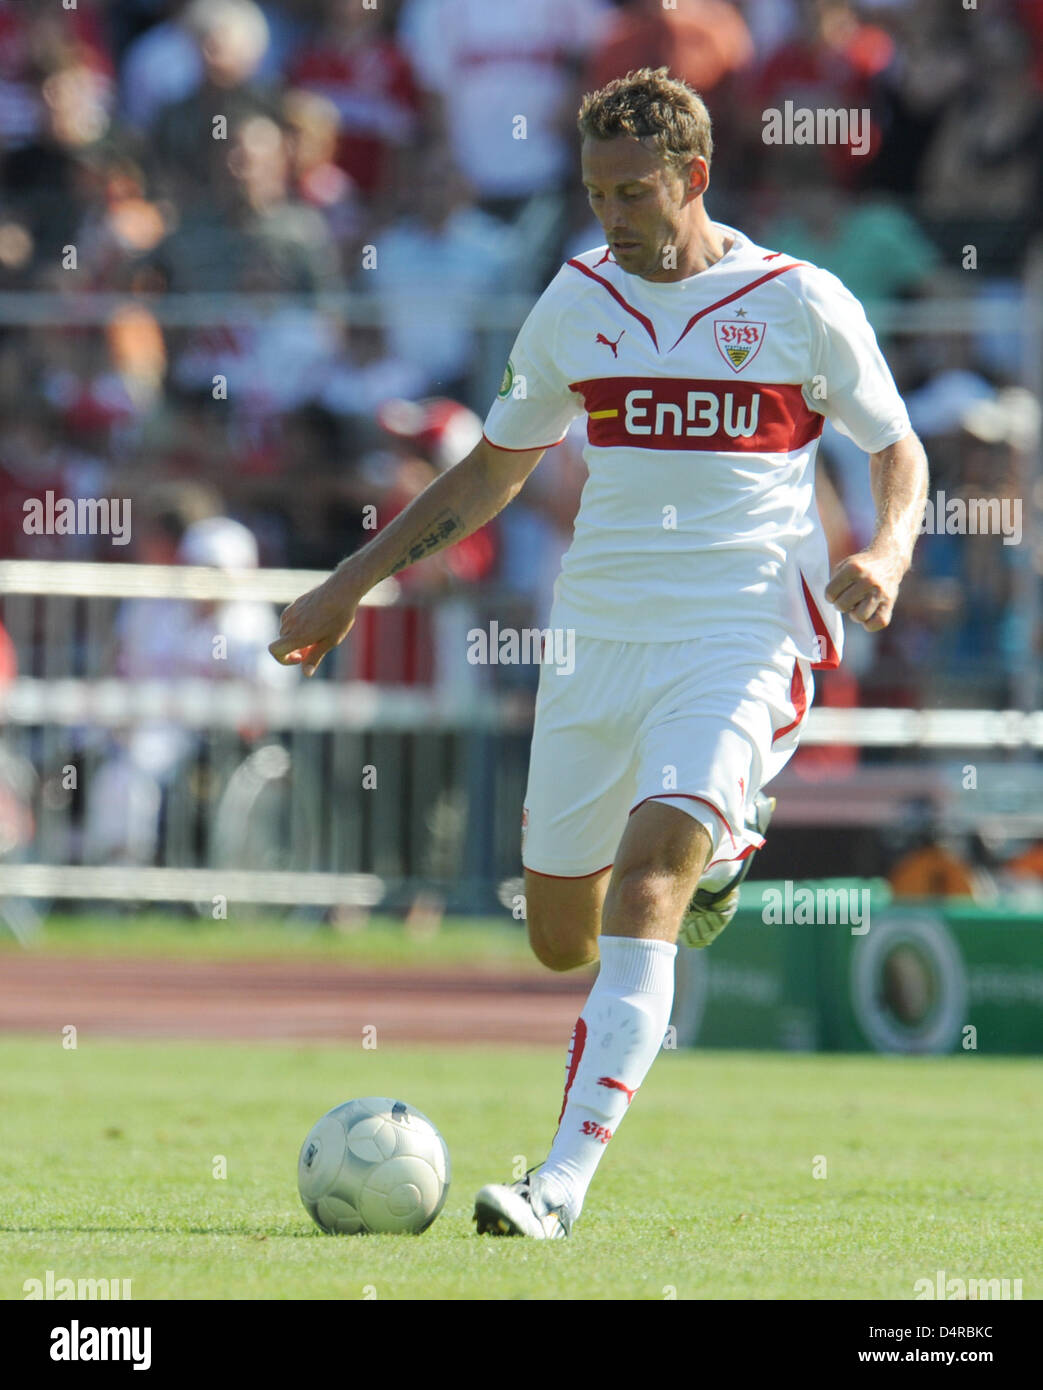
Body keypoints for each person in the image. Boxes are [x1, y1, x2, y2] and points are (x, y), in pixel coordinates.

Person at [270, 68, 928, 1238]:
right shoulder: (575, 300)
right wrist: (345, 587)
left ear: (693, 177)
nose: (612, 216)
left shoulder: (795, 300)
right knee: (557, 939)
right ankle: (716, 867)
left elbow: (896, 446)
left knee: (646, 884)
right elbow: (491, 469)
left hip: (736, 635)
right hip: (595, 640)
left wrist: (882, 550)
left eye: (632, 193)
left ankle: (554, 1186)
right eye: (594, 194)